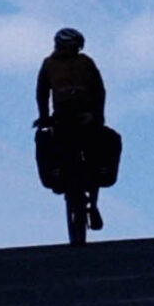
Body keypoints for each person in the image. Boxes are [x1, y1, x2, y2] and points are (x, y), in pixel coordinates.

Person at [36, 26, 107, 230]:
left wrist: (96, 115)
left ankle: (93, 203)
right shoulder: (49, 64)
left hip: (86, 116)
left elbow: (99, 91)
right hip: (62, 118)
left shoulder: (86, 62)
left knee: (98, 150)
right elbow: (42, 93)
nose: (75, 50)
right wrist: (44, 117)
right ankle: (57, 172)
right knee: (51, 144)